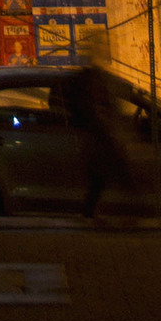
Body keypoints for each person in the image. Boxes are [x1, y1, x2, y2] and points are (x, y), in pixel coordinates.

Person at [61, 60, 129, 220]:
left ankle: (90, 216)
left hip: (95, 145)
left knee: (98, 184)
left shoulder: (88, 95)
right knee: (102, 181)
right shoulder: (93, 99)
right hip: (98, 146)